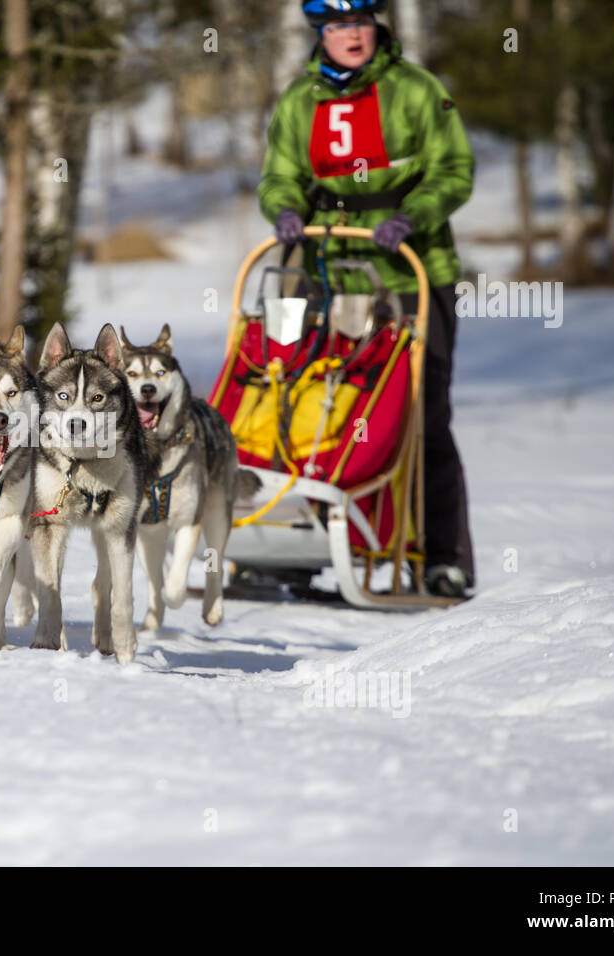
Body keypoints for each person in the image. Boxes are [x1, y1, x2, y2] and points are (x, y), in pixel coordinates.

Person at [258, 0, 475, 598]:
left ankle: (441, 559)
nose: (350, 36)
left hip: (412, 278)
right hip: (329, 277)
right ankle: (295, 547)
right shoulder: (301, 101)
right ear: (320, 34)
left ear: (376, 25)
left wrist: (412, 216)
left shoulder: (415, 89)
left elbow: (454, 170)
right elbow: (280, 174)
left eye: (358, 23)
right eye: (336, 27)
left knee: (421, 415)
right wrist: (283, 209)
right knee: (312, 408)